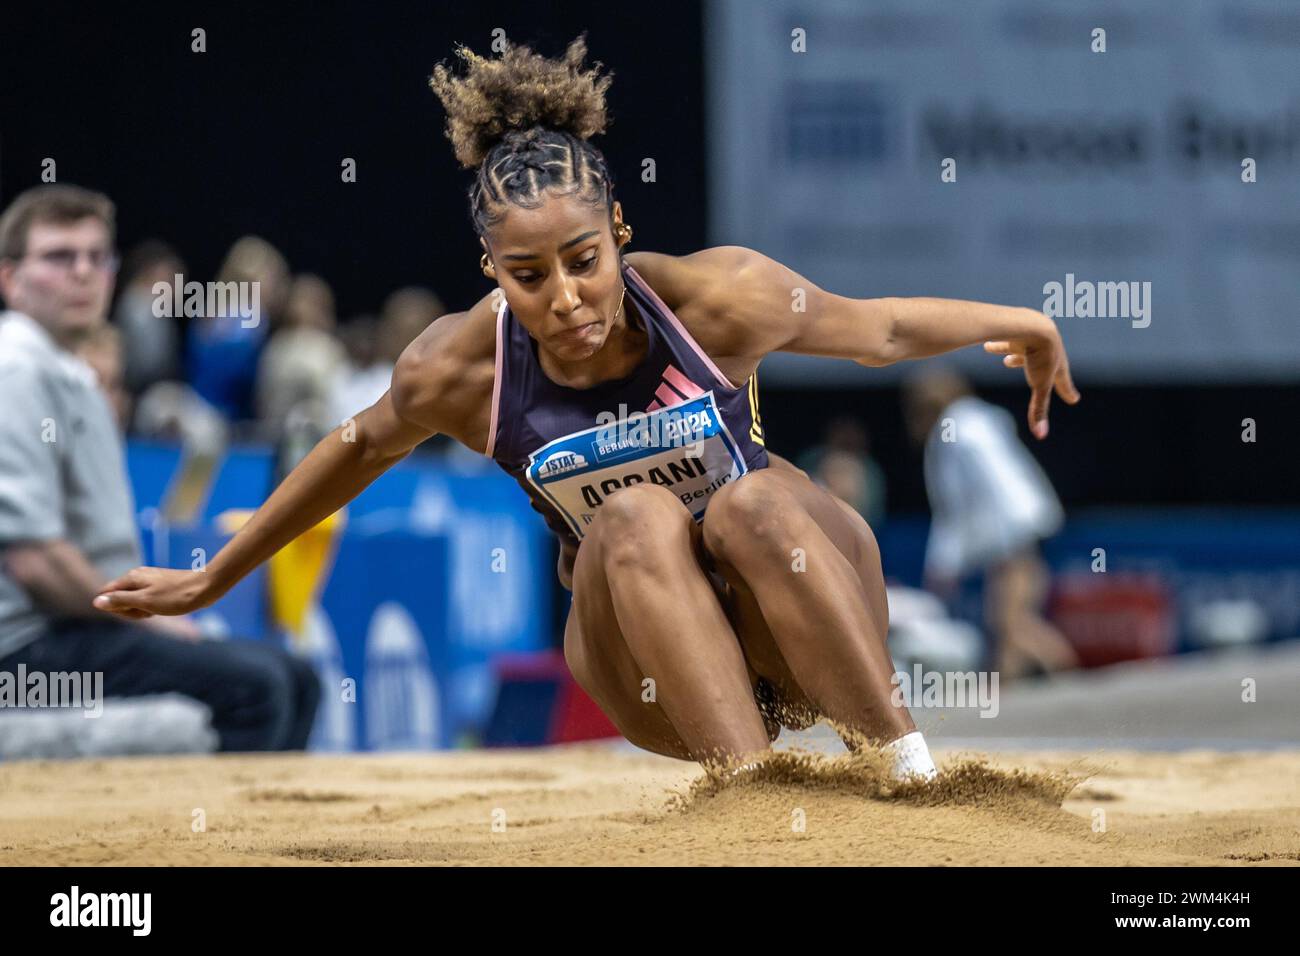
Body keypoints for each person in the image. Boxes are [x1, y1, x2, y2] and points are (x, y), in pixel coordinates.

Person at [92, 37, 1079, 782]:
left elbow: (880, 329)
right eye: (527, 275)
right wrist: (214, 574)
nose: (563, 297)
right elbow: (353, 447)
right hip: (652, 662)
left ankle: (911, 775)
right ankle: (753, 804)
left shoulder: (717, 297)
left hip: (797, 609)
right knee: (634, 512)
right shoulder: (456, 367)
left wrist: (1018, 320)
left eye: (582, 260)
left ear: (619, 231)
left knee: (754, 502)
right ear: (491, 272)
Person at [0, 184, 320, 753]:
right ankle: (206, 842)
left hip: (76, 630)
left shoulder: (68, 374)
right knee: (260, 688)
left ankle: (261, 836)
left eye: (97, 257)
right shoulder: (16, 370)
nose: (83, 273)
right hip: (25, 652)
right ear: (10, 278)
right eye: (58, 257)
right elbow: (35, 561)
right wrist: (144, 617)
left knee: (297, 677)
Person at [902, 367, 1080, 680]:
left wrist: (943, 563)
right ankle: (1006, 690)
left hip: (1012, 535)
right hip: (1021, 529)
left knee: (1009, 621)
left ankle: (1073, 677)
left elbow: (955, 507)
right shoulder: (976, 422)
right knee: (1007, 620)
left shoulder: (952, 434)